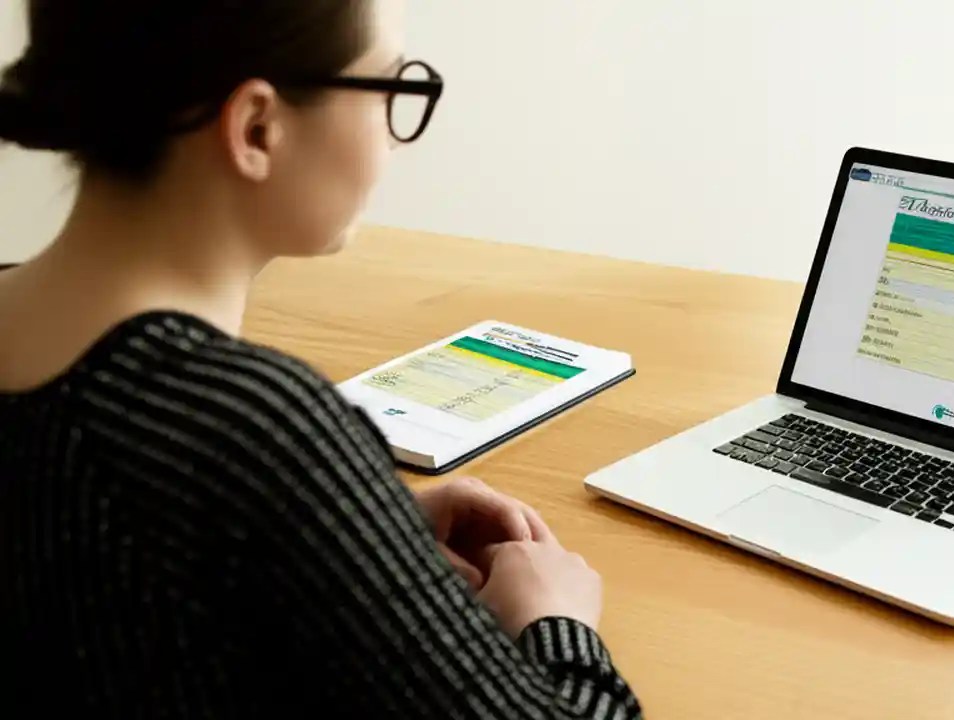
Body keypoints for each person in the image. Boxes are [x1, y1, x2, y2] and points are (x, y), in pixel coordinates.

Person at [0, 1, 642, 717]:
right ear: (257, 129)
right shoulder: (255, 426)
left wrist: (351, 531)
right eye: (392, 88)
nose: (396, 141)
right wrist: (557, 622)